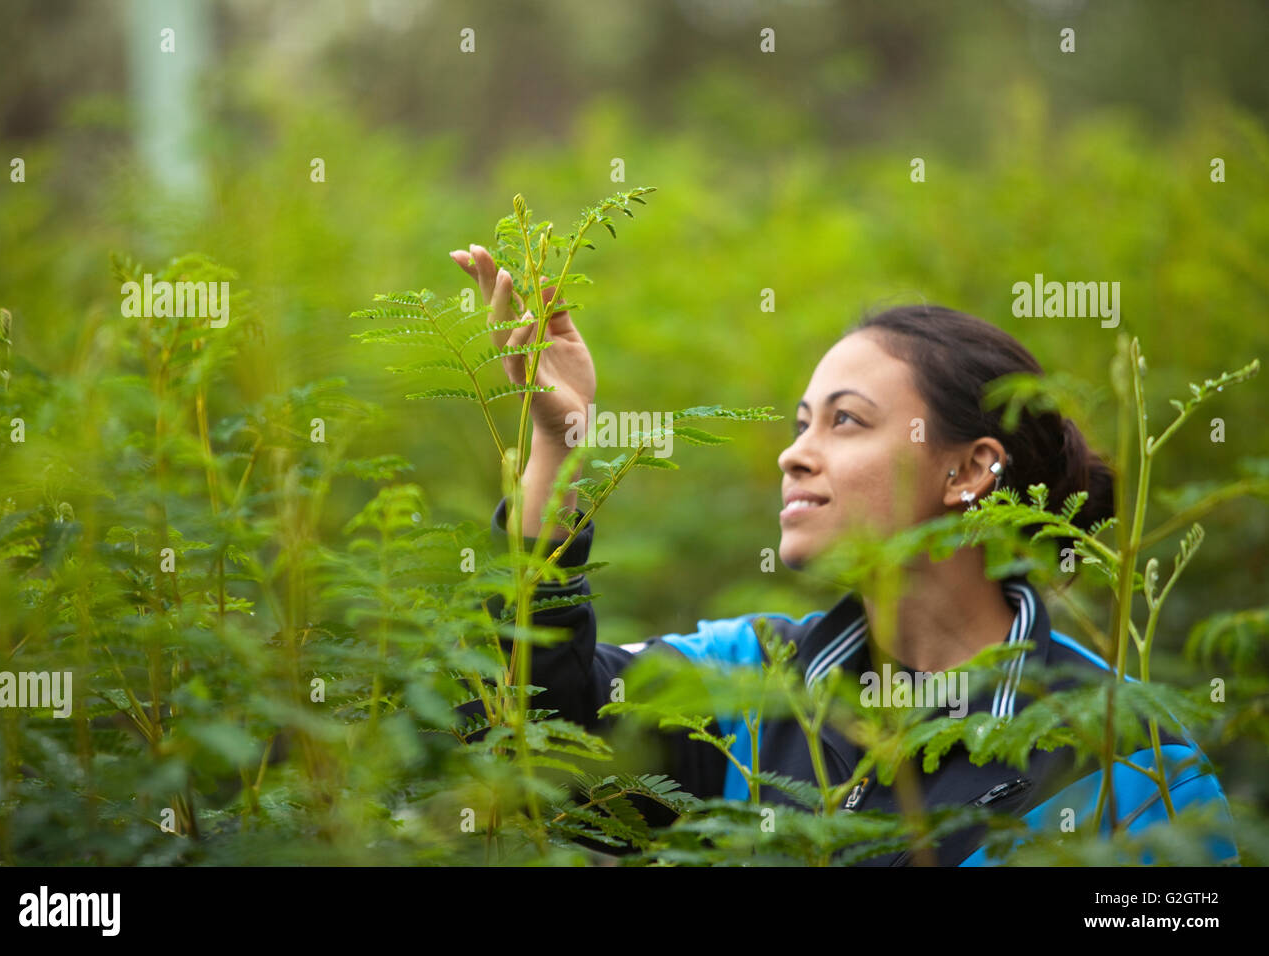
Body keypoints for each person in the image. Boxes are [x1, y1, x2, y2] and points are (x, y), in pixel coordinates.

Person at [449, 244, 1238, 866]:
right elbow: (535, 741)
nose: (795, 455)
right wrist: (555, 453)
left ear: (968, 468)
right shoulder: (745, 681)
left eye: (846, 422)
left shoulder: (1133, 756)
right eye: (800, 424)